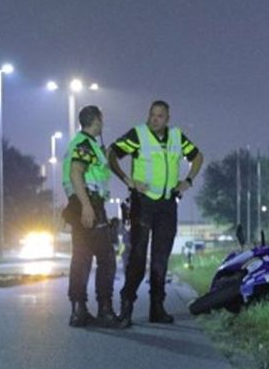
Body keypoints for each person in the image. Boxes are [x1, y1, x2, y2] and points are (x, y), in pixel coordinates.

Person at [108, 100, 203, 325]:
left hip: (168, 204)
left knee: (161, 259)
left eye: (160, 116)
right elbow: (111, 153)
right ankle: (127, 304)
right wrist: (127, 180)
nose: (154, 119)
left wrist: (187, 181)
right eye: (152, 115)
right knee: (138, 258)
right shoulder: (138, 134)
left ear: (167, 118)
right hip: (142, 203)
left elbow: (198, 157)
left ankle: (157, 307)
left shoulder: (177, 136)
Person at [61, 105, 126, 328]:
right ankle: (105, 310)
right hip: (88, 204)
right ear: (97, 120)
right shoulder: (84, 144)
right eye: (101, 120)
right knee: (107, 258)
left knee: (82, 257)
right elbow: (76, 172)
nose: (103, 124)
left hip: (79, 204)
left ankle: (78, 311)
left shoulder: (84, 143)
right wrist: (88, 207)